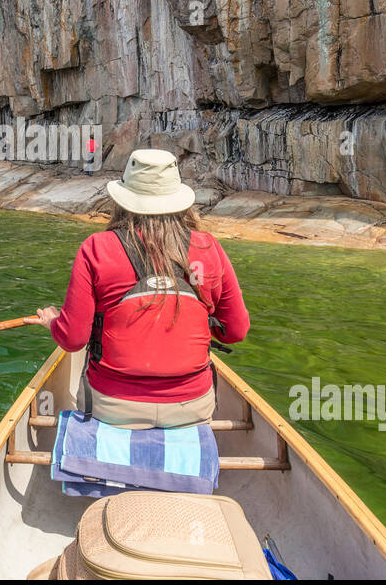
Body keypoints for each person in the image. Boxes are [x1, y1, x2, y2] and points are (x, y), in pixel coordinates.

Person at [33, 148, 250, 429]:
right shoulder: (208, 247)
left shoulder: (96, 248)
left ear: (123, 200)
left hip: (114, 405)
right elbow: (235, 332)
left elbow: (73, 339)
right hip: (191, 405)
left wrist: (53, 322)